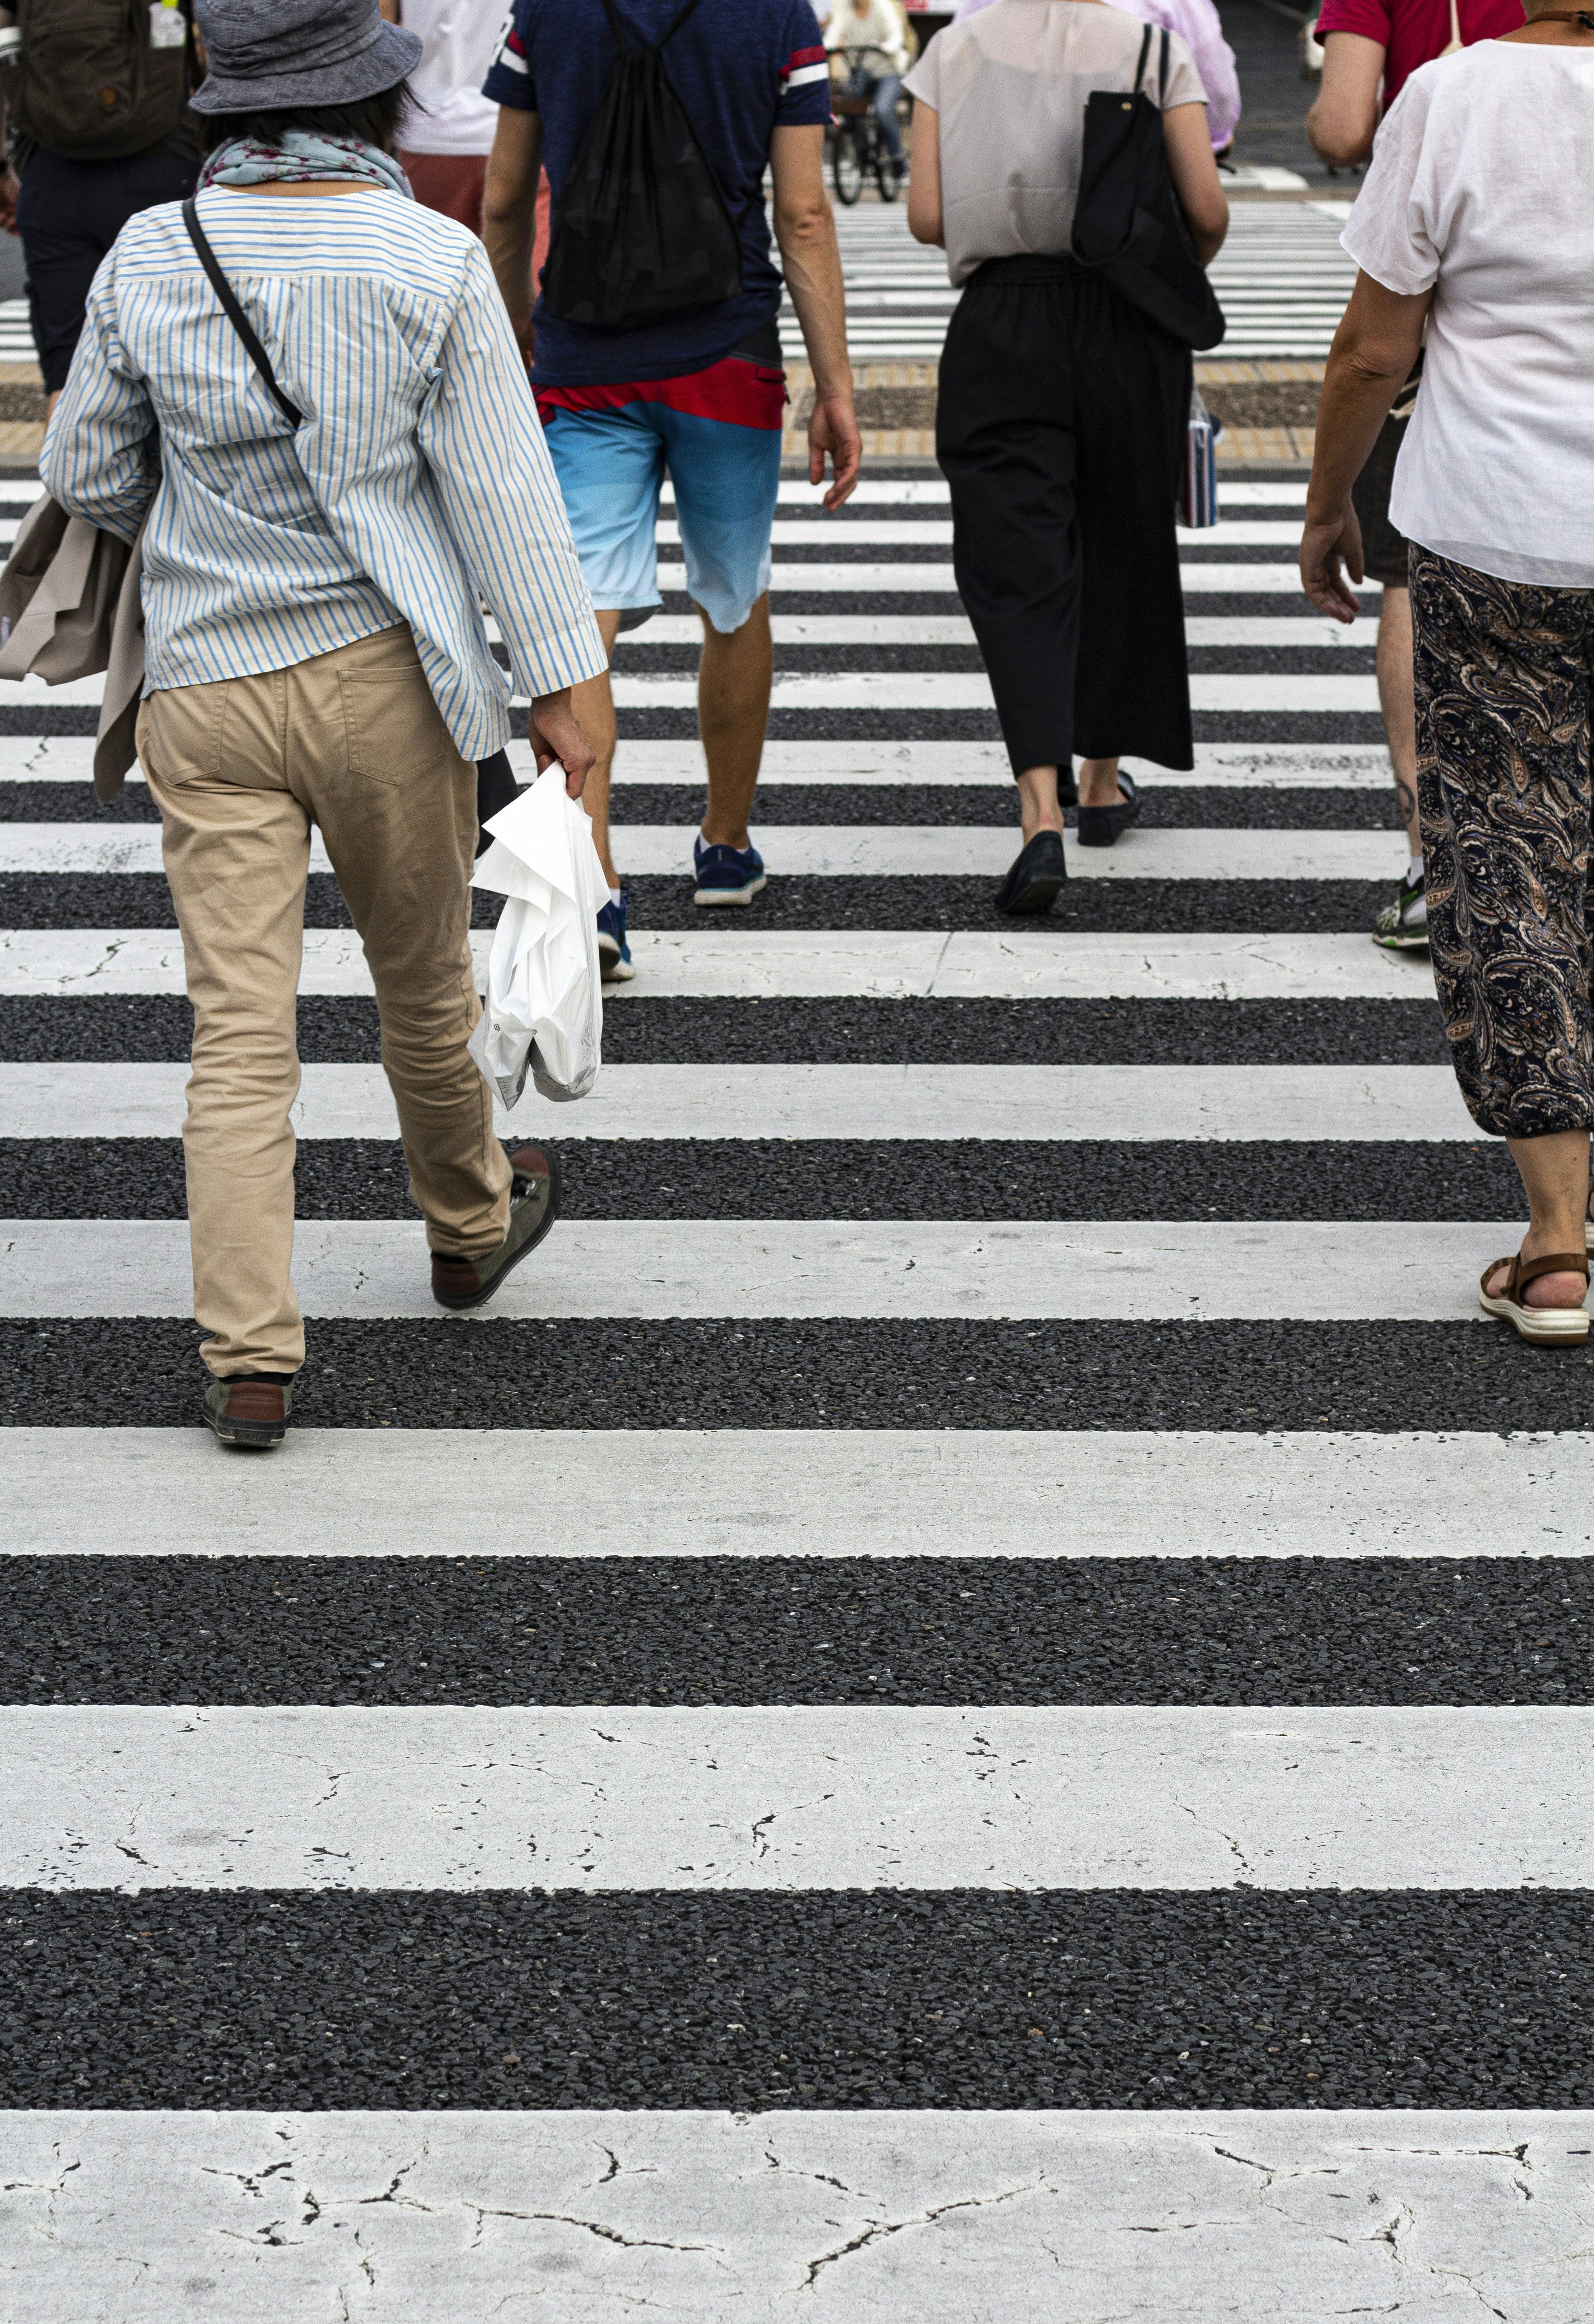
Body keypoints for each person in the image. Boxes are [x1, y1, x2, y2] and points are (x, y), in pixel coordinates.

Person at [41, 0, 606, 1447]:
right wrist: (568, 694)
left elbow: (89, 466)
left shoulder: (151, 254)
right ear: (368, 102)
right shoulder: (429, 258)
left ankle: (250, 1355)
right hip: (382, 682)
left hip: (206, 689)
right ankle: (471, 1225)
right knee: (420, 987)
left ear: (221, 106)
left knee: (237, 1034)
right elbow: (502, 495)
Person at [1301, 0, 1594, 1346]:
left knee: (1508, 848)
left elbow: (1374, 346)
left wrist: (1327, 508)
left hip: (1497, 530)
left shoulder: (1459, 96)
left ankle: (1556, 1244)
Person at [481, 0, 861, 981]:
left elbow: (504, 200)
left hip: (584, 355)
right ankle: (725, 846)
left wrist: (521, 333)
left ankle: (595, 891)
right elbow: (804, 213)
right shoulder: (777, 17)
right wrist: (837, 387)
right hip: (725, 352)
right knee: (733, 598)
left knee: (581, 620)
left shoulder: (546, 14)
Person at [906, 0, 1228, 913]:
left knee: (1018, 563)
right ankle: (1101, 782)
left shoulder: (951, 50)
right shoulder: (1153, 48)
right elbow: (1205, 209)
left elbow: (929, 216)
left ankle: (1039, 820)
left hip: (1002, 322)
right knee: (1120, 538)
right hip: (1128, 325)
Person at [1306, 0, 1522, 950]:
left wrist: (1323, 506)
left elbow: (1344, 125)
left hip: (1447, 323)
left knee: (1407, 571)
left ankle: (1430, 861)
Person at [0, 0, 204, 415]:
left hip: (52, 173)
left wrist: (2, 170)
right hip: (164, 168)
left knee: (69, 377)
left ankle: (66, 477)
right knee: (178, 368)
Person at [953, 0, 1241, 154]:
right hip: (1129, 185)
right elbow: (1215, 86)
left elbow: (958, 73)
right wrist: (1216, 139)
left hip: (1011, 174)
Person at [375, 0, 503, 235]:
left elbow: (379, 28)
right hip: (517, 126)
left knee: (436, 263)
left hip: (430, 124)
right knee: (521, 264)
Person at [825, 0, 913, 166]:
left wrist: (886, 47)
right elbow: (834, 34)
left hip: (889, 71)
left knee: (883, 109)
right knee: (848, 100)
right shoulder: (845, 9)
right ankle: (857, 141)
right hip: (862, 69)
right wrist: (826, 48)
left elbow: (896, 35)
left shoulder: (882, 6)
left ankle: (897, 157)